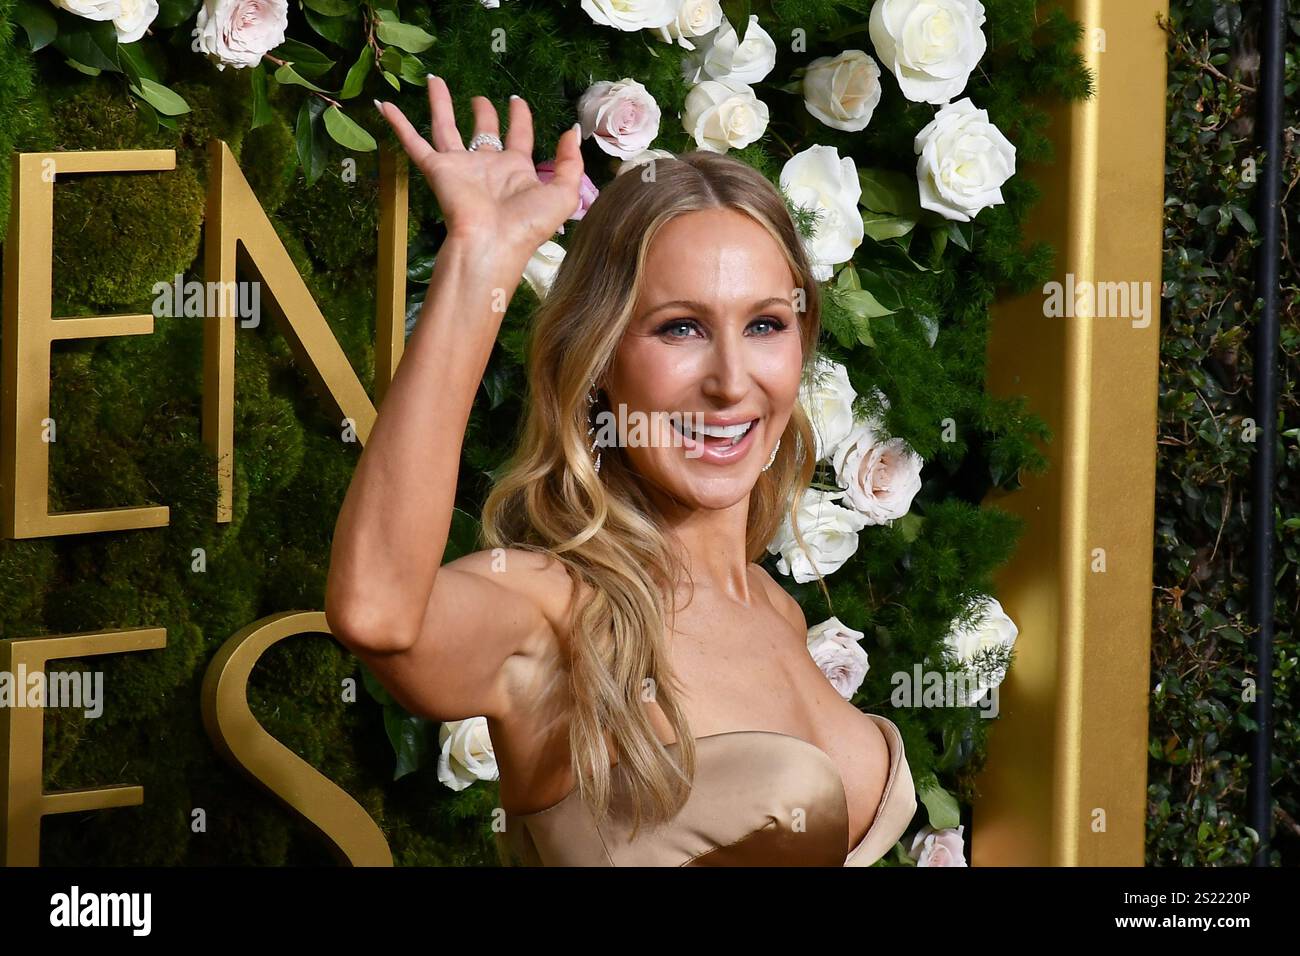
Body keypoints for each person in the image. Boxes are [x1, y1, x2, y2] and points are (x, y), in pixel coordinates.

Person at [325, 75, 917, 866]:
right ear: (599, 360)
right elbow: (377, 614)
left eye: (766, 324)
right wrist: (483, 258)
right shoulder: (552, 607)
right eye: (680, 329)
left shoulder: (777, 610)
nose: (733, 381)